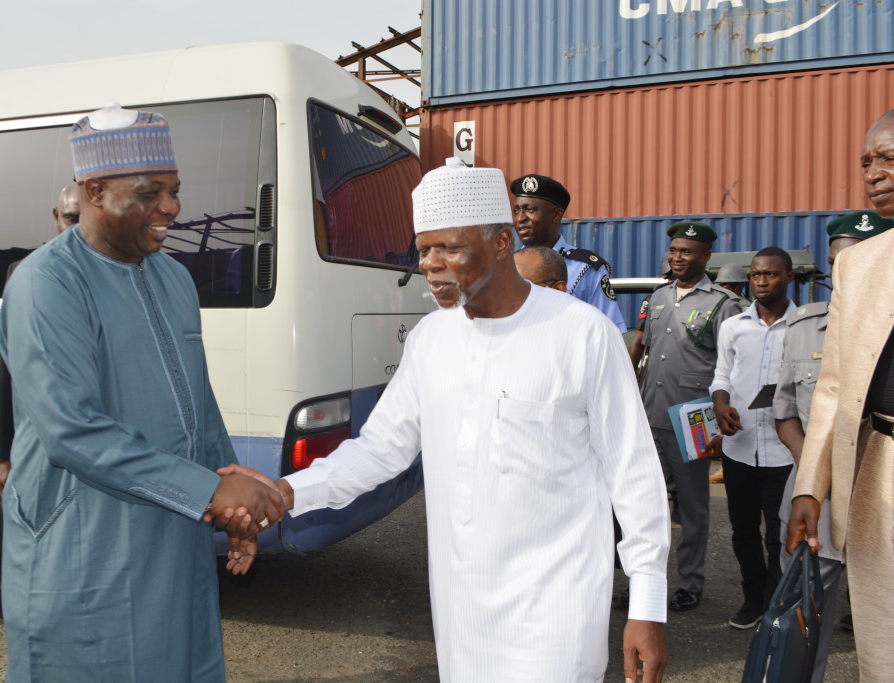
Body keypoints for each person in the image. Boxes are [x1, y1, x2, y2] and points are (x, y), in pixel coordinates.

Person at [224, 157, 671, 682]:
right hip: (462, 615)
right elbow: (379, 450)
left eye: (450, 247)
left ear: (502, 241)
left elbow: (634, 475)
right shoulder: (430, 340)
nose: (432, 264)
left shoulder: (583, 335)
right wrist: (284, 493)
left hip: (557, 612)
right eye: (424, 250)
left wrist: (647, 604)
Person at [0, 104, 285, 681]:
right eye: (152, 192)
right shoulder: (46, 282)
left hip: (170, 531)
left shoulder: (173, 277)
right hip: (83, 537)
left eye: (175, 191)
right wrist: (210, 493)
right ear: (96, 191)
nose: (173, 208)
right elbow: (71, 430)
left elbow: (196, 404)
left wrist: (228, 497)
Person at [787, 109, 894, 680]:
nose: (874, 174)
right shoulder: (859, 262)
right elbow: (832, 388)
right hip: (879, 475)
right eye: (866, 162)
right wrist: (811, 485)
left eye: (889, 159)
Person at [639, 221, 744, 611]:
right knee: (645, 506)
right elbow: (648, 354)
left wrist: (721, 423)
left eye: (686, 252)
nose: (677, 257)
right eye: (674, 250)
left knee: (693, 507)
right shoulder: (660, 295)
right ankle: (642, 583)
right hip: (651, 415)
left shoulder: (723, 303)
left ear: (705, 256)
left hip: (693, 420)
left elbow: (731, 366)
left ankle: (690, 583)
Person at [709, 247, 796, 629]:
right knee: (744, 532)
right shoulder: (733, 326)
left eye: (771, 275)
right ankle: (752, 599)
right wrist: (720, 403)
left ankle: (775, 605)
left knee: (779, 537)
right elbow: (721, 374)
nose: (761, 282)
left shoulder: (803, 326)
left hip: (783, 451)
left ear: (788, 278)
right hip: (739, 448)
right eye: (756, 275)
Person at [0, 183, 81, 498]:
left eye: (84, 220)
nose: (75, 231)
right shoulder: (26, 274)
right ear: (56, 217)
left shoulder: (123, 272)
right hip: (42, 444)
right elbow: (6, 364)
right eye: (70, 219)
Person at [510, 173, 627, 332]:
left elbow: (609, 331)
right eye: (516, 211)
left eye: (529, 209)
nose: (520, 218)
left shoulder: (586, 269)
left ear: (556, 215)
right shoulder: (507, 266)